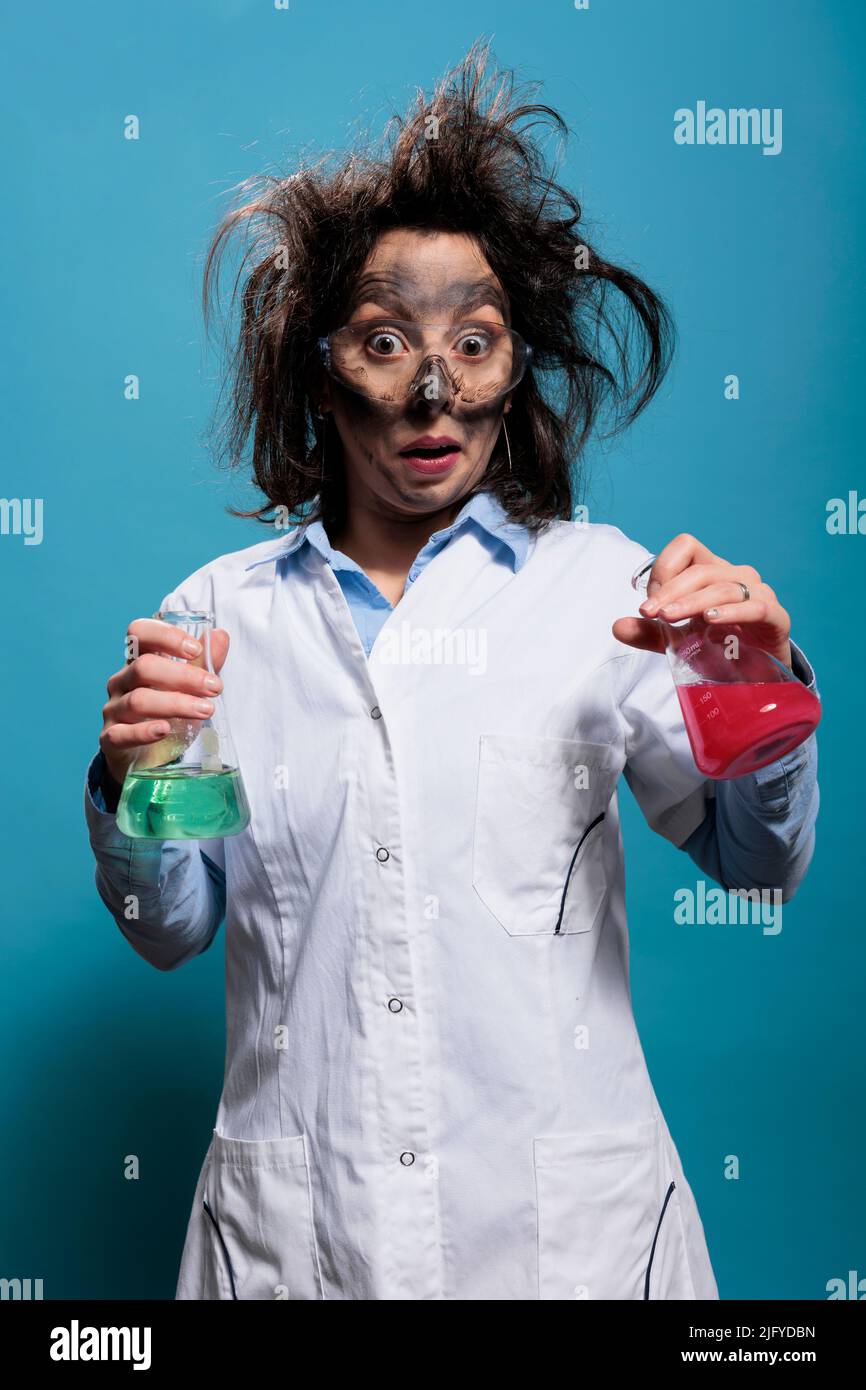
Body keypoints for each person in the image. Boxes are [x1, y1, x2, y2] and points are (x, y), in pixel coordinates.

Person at [84, 43, 819, 1300]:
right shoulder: (217, 619)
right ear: (320, 365)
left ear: (513, 364)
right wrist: (128, 782)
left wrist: (752, 686)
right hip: (301, 1247)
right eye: (384, 342)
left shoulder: (608, 593)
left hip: (569, 1250)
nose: (433, 394)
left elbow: (759, 863)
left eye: (472, 343)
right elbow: (173, 930)